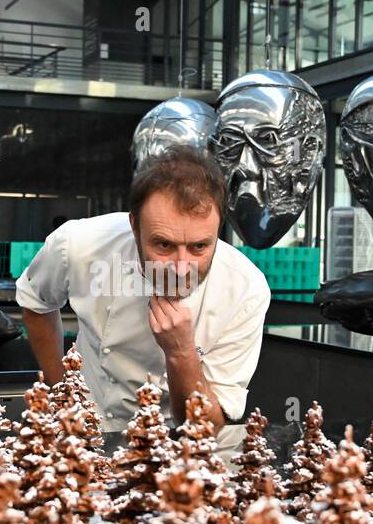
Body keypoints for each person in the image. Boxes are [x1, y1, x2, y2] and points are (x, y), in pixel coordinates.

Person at [16, 145, 272, 437]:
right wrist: (60, 394)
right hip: (86, 426)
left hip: (175, 443)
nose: (181, 268)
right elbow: (35, 300)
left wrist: (181, 354)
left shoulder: (245, 291)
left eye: (199, 246)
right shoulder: (79, 244)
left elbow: (208, 428)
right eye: (163, 245)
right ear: (134, 225)